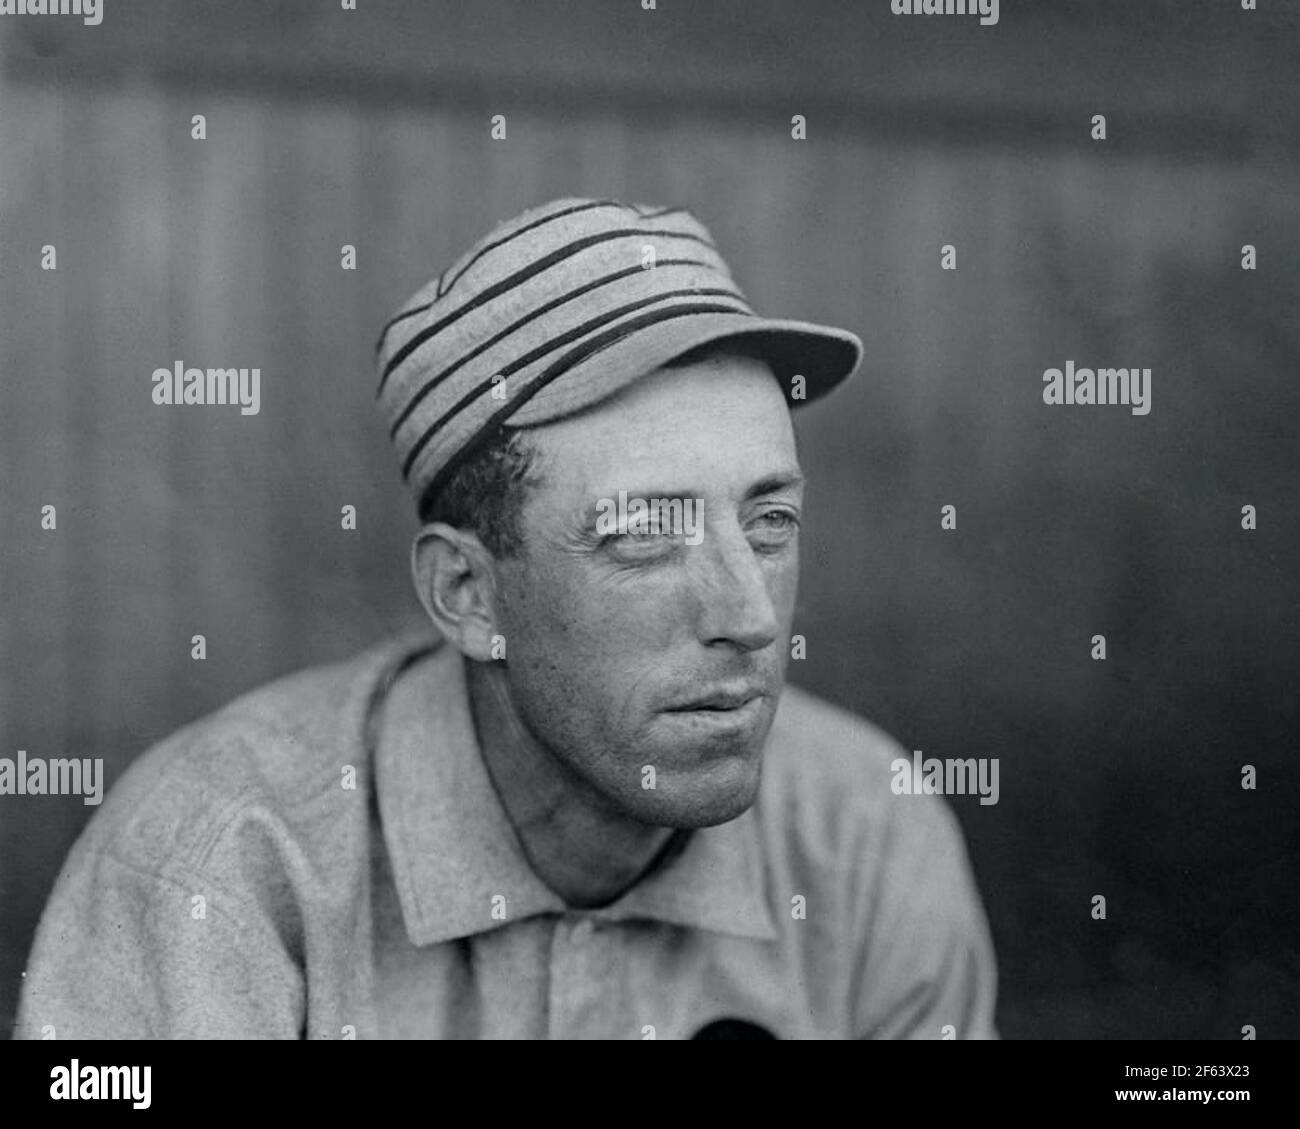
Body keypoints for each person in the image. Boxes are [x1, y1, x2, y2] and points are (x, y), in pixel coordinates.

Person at [15, 198, 997, 1039]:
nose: (748, 615)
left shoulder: (868, 833)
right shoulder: (221, 862)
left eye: (768, 521)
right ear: (467, 595)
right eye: (645, 536)